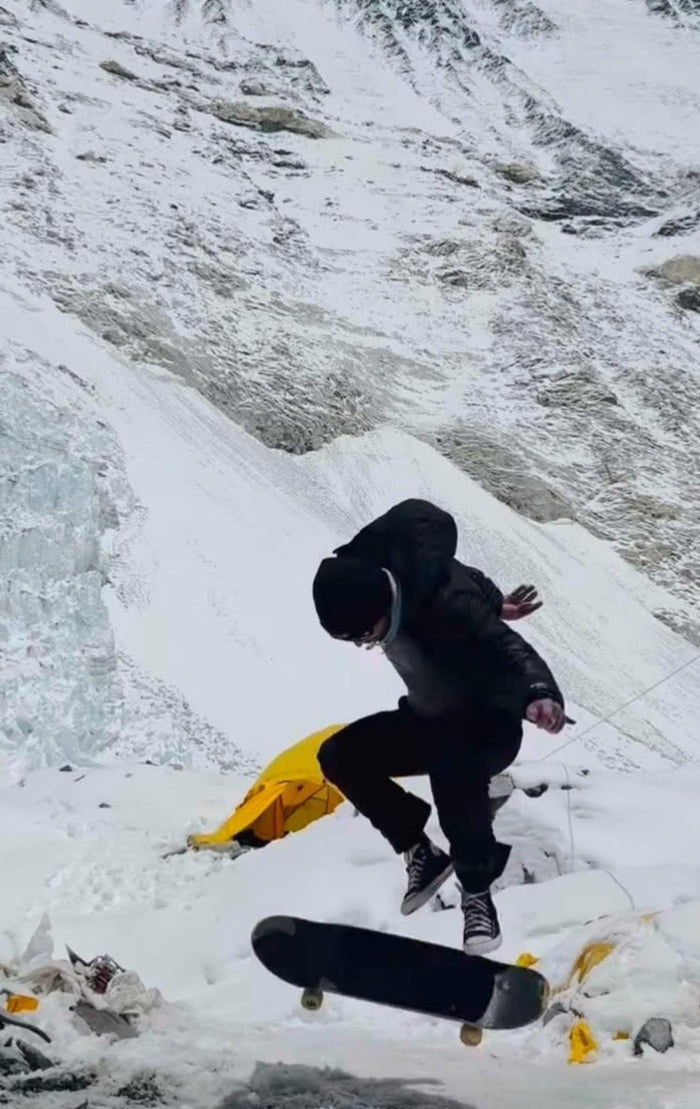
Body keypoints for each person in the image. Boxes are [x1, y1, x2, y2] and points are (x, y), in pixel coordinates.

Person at [311, 499, 566, 954]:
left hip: (488, 727)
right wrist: (496, 599)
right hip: (428, 716)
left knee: (453, 769)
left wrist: (539, 693)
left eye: (367, 634)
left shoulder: (450, 606)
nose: (365, 644)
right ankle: (421, 853)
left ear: (385, 601)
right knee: (338, 755)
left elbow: (508, 648)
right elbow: (459, 571)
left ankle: (477, 896)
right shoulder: (377, 569)